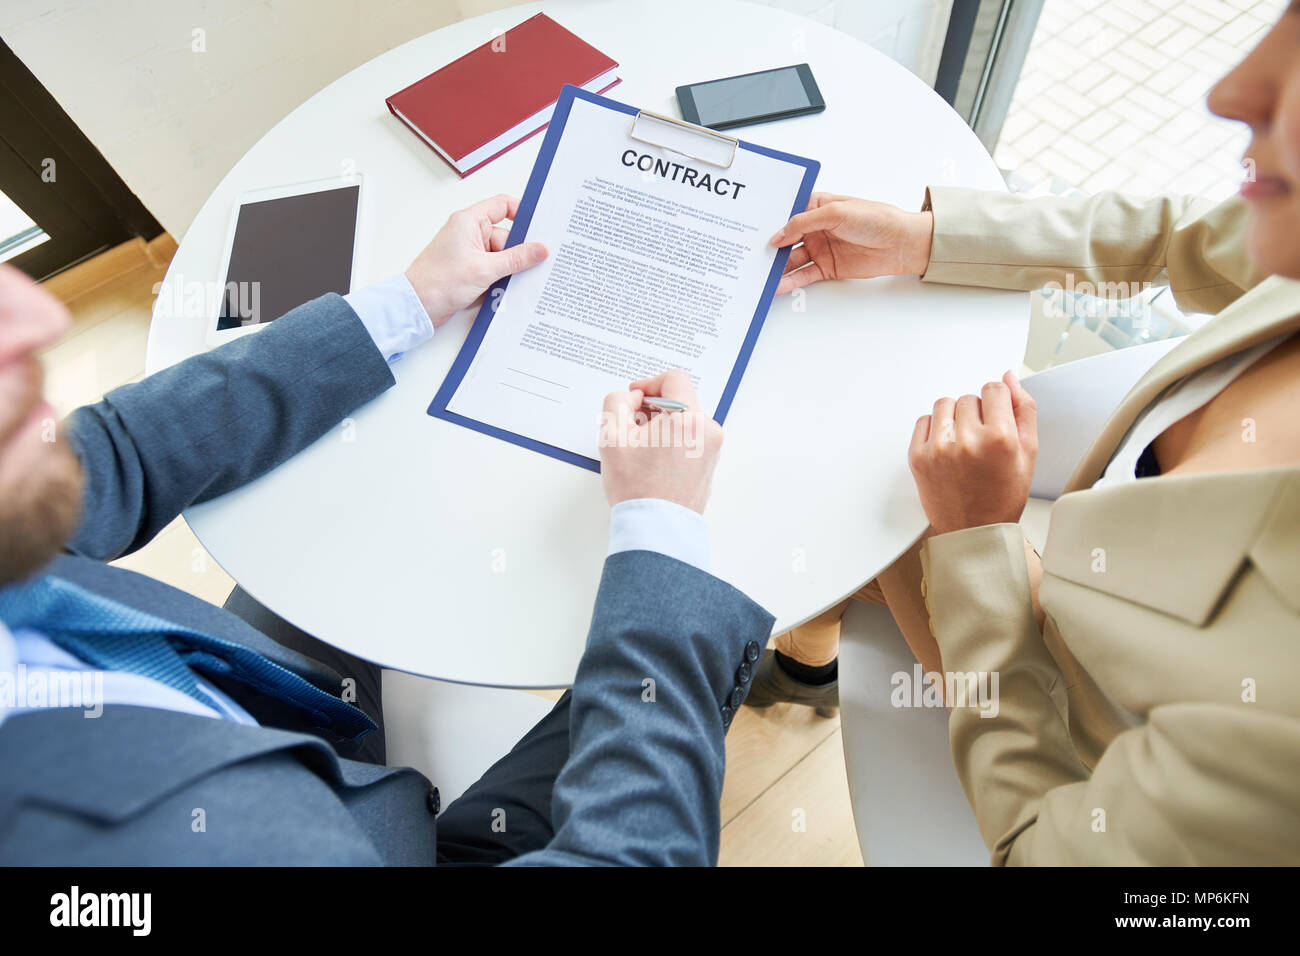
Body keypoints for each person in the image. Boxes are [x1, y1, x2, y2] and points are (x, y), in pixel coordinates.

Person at [0, 195, 773, 866]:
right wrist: (659, 523)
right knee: (681, 627)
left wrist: (411, 300)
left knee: (329, 531)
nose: (45, 315)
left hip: (268, 703)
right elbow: (634, 854)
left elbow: (116, 450)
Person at [751, 4, 1300, 864]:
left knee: (844, 487)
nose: (1230, 91)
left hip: (1051, 709)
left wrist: (978, 539)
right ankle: (807, 662)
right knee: (871, 458)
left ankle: (807, 654)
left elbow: (1045, 848)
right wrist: (928, 238)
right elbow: (1180, 235)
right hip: (1069, 543)